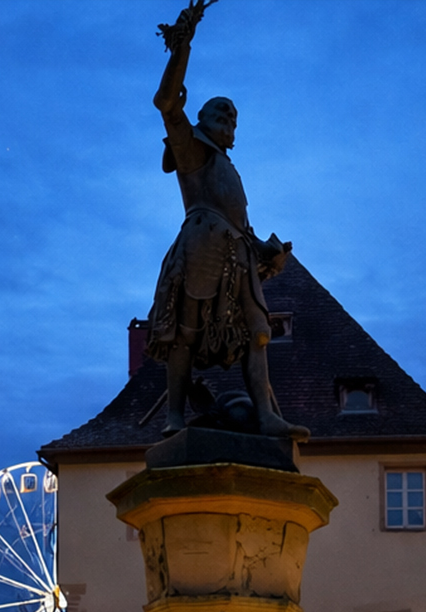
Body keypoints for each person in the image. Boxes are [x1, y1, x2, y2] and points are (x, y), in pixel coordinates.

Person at [146, 0, 308, 440]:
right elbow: (165, 102)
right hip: (200, 247)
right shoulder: (192, 149)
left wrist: (267, 253)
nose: (228, 119)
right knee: (185, 331)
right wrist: (183, 48)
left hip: (236, 252)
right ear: (202, 120)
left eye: (232, 117)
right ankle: (174, 416)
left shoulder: (228, 167)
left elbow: (242, 224)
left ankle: (267, 415)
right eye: (220, 112)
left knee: (258, 331)